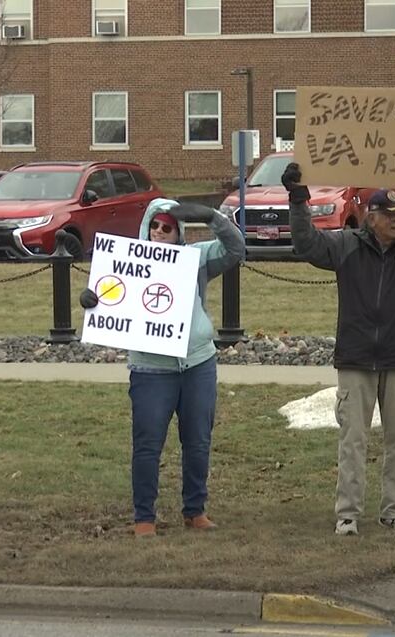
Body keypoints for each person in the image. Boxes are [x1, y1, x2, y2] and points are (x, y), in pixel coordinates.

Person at [283, 162, 395, 537]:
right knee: (353, 440)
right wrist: (298, 199)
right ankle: (347, 513)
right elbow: (307, 244)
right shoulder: (347, 246)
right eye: (391, 215)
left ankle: (394, 512)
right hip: (357, 357)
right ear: (371, 217)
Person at [79, 199, 245, 538]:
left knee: (198, 441)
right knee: (147, 444)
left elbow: (235, 248)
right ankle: (144, 517)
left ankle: (195, 510)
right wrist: (93, 299)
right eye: (154, 225)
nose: (159, 232)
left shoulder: (195, 259)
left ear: (178, 232)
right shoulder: (127, 262)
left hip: (197, 363)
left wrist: (212, 217)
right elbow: (111, 297)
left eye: (167, 227)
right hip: (150, 369)